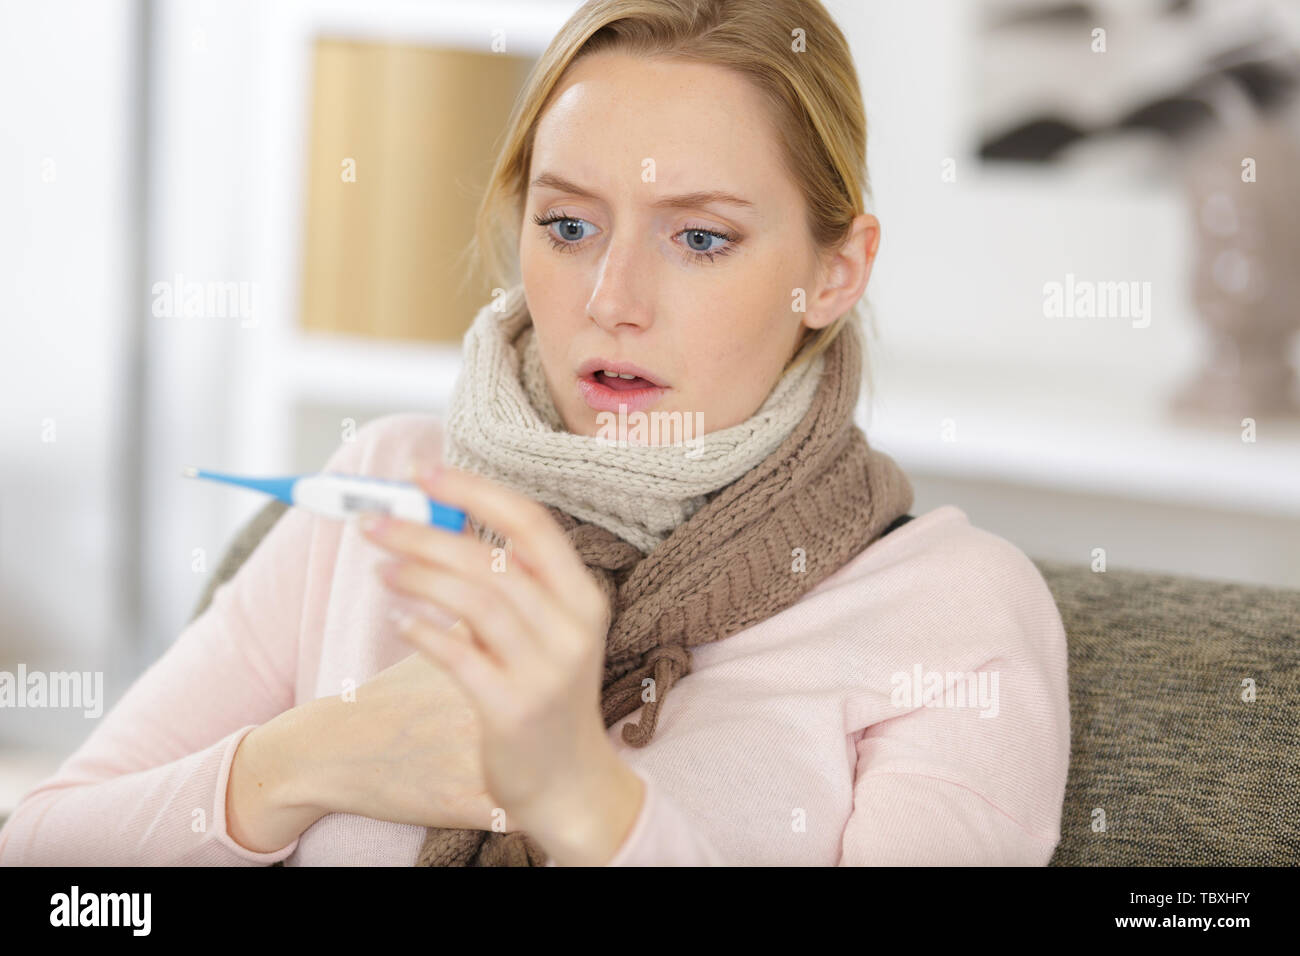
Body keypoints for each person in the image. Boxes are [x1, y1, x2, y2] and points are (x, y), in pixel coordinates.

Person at [0, 0, 1069, 866]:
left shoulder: (950, 610)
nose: (612, 299)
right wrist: (305, 760)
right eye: (568, 225)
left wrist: (585, 801)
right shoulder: (388, 485)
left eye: (700, 238)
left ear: (834, 272)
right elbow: (45, 853)